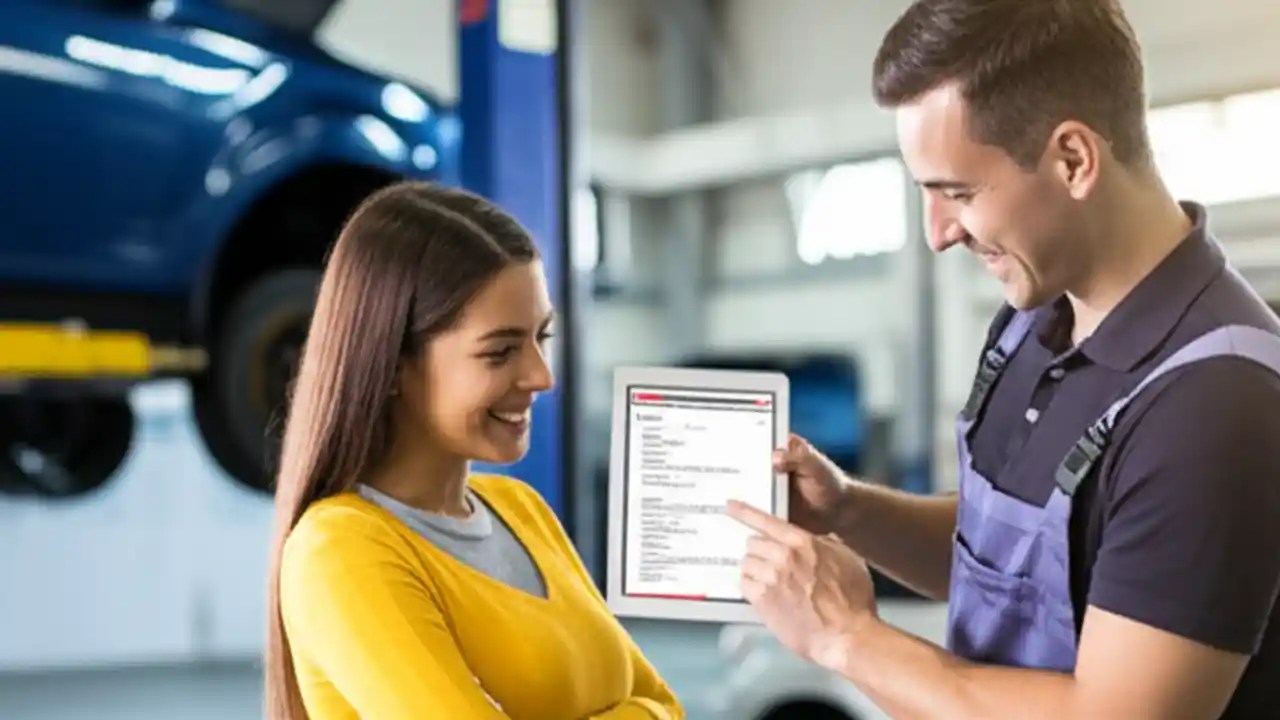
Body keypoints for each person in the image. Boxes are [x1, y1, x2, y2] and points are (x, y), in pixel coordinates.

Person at [725, 1, 1280, 718]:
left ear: (1073, 160)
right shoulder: (1033, 320)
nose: (938, 234)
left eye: (957, 193)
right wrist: (851, 510)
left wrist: (844, 637)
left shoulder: (1216, 403)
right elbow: (1012, 568)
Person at [262, 182, 683, 720]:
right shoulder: (340, 550)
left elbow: (667, 704)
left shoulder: (522, 509)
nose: (542, 377)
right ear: (392, 367)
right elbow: (653, 709)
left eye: (541, 338)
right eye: (500, 352)